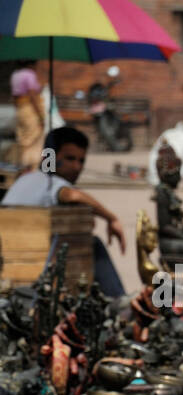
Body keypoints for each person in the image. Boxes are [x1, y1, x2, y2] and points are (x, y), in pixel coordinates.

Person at [2, 127, 126, 296]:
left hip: (11, 259)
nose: (77, 167)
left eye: (81, 161)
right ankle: (119, 301)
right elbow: (72, 195)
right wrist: (112, 218)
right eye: (69, 158)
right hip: (32, 263)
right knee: (92, 243)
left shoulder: (26, 178)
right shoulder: (51, 181)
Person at [10, 60, 44, 171]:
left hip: (20, 109)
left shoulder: (15, 75)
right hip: (30, 109)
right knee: (32, 139)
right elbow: (32, 95)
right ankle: (29, 168)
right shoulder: (30, 74)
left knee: (23, 138)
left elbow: (14, 96)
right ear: (31, 64)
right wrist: (41, 115)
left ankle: (21, 165)